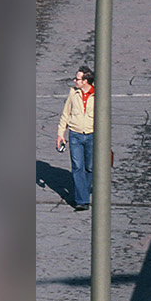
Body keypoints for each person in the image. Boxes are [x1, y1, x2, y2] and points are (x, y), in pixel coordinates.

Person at [55, 66, 97, 210]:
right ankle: (82, 200)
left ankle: (83, 192)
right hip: (75, 135)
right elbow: (65, 114)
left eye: (77, 79)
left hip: (92, 135)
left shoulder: (97, 94)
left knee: (89, 167)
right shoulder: (73, 93)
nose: (74, 81)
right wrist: (60, 134)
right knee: (77, 167)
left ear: (85, 81)